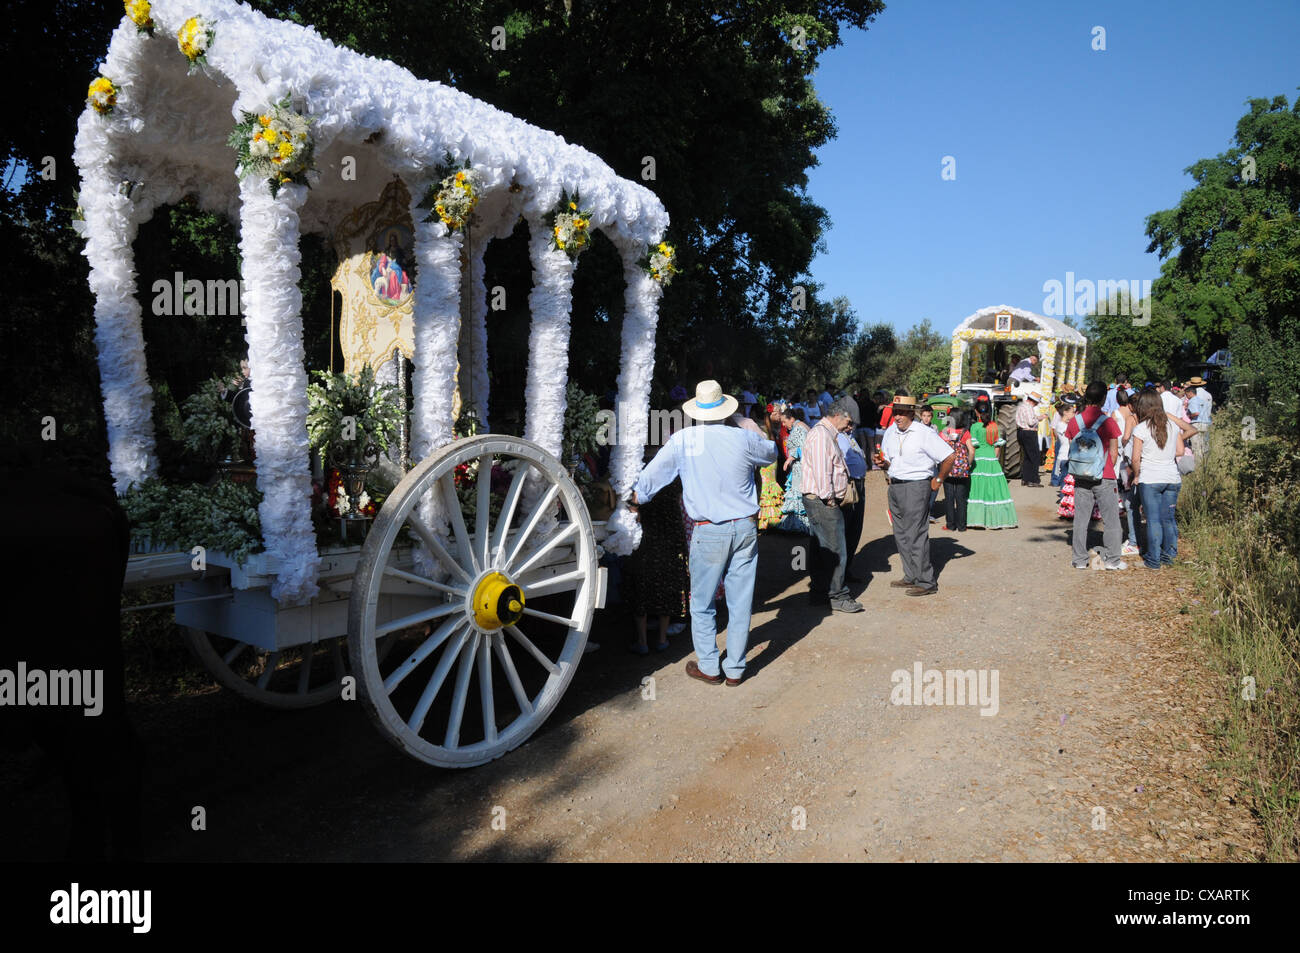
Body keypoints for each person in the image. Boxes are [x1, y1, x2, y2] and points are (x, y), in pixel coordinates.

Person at [632, 380, 776, 686]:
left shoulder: (683, 440)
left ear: (695, 411)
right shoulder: (743, 438)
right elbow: (771, 452)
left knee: (702, 602)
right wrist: (741, 421)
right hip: (745, 527)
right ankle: (735, 668)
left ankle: (710, 665)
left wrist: (636, 499)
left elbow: (651, 478)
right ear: (726, 409)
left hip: (709, 530)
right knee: (740, 601)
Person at [874, 395, 956, 596]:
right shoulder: (890, 432)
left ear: (912, 413)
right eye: (895, 412)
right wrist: (884, 464)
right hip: (895, 486)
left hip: (917, 487)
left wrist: (938, 480)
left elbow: (949, 456)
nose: (897, 416)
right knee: (901, 533)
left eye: (901, 412)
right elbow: (890, 460)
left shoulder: (923, 432)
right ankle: (910, 575)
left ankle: (926, 581)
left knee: (916, 534)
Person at [801, 399, 862, 612]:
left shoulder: (827, 434)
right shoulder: (820, 435)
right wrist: (829, 499)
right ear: (840, 415)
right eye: (849, 422)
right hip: (822, 500)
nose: (850, 427)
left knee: (822, 548)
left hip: (821, 499)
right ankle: (838, 595)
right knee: (837, 549)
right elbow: (821, 471)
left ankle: (820, 592)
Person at [623, 465, 688, 654]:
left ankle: (642, 642)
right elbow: (677, 510)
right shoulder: (674, 478)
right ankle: (662, 639)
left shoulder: (638, 477)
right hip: (668, 540)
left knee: (641, 588)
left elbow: (631, 507)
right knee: (665, 588)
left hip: (644, 540)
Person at [1130, 390, 1198, 570]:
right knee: (1168, 518)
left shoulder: (1141, 428)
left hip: (1150, 478)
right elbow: (1180, 451)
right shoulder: (1172, 426)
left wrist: (1136, 475)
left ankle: (1153, 559)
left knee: (1153, 520)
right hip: (1172, 478)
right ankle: (1169, 555)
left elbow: (1135, 458)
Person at [1065, 381, 1126, 570]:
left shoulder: (1076, 421)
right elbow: (1114, 453)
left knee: (1081, 520)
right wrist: (1105, 467)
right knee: (1111, 520)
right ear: (1103, 398)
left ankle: (1080, 560)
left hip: (1081, 475)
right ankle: (1112, 560)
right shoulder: (1108, 422)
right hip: (1104, 475)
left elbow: (1072, 447)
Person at [968, 402, 1018, 529]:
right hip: (992, 460)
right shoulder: (994, 426)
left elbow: (973, 446)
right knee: (994, 491)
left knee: (979, 490)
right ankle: (996, 520)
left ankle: (979, 520)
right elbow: (997, 446)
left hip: (979, 460)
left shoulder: (975, 427)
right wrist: (994, 460)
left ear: (976, 412)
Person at [835, 415, 868, 580]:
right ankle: (840, 572)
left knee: (855, 528)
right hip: (850, 485)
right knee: (847, 528)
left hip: (859, 484)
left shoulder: (849, 437)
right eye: (848, 422)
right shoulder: (839, 437)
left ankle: (846, 569)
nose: (851, 426)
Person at [1111, 389, 1141, 557]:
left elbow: (1122, 437)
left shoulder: (1125, 417)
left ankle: (1134, 540)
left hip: (1127, 456)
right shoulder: (1143, 417)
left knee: (1128, 494)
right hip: (1140, 460)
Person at [777, 406, 812, 533]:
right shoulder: (801, 426)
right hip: (798, 467)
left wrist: (790, 458)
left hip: (799, 467)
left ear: (791, 419)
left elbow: (803, 447)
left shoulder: (799, 428)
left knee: (798, 492)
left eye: (784, 422)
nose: (784, 425)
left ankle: (801, 526)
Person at [940, 409, 974, 532]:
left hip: (947, 469)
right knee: (961, 498)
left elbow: (939, 449)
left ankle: (950, 525)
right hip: (961, 470)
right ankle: (961, 526)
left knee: (949, 498)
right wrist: (967, 464)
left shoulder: (944, 432)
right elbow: (972, 450)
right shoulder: (965, 433)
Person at [754, 405, 784, 529]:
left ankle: (764, 520)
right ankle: (773, 517)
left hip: (764, 461)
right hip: (772, 460)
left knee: (764, 487)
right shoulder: (768, 428)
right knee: (770, 485)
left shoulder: (759, 427)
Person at [1015, 391, 1046, 486]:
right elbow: (1031, 422)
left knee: (1027, 456)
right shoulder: (1028, 408)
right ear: (1034, 401)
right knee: (1034, 456)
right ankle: (1033, 480)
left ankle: (1026, 478)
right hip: (1029, 432)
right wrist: (1040, 418)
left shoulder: (1021, 406)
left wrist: (1037, 418)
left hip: (1021, 431)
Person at [1185, 376, 1212, 459]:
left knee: (1196, 446)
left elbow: (1196, 412)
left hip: (1197, 422)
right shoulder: (1208, 394)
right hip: (1207, 421)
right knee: (1205, 445)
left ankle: (1198, 465)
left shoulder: (1194, 397)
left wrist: (1188, 415)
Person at [1049, 401, 1075, 488]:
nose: (1074, 414)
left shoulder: (1066, 425)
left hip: (1066, 455)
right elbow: (1069, 439)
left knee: (1066, 479)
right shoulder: (1061, 425)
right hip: (1064, 456)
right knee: (1064, 480)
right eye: (1072, 412)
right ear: (1065, 413)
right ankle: (1063, 498)